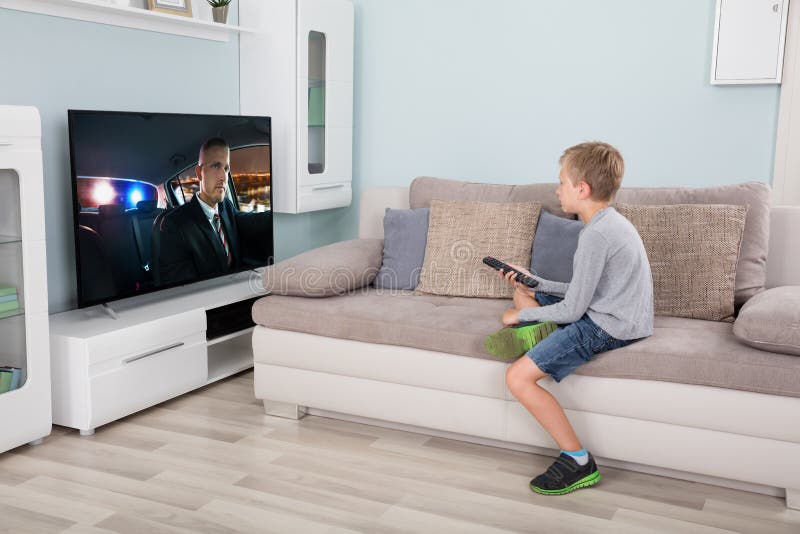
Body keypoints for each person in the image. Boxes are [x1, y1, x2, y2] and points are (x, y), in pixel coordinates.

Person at [484, 141, 653, 495]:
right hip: (618, 312)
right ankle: (541, 326)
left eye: (562, 182)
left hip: (608, 325)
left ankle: (578, 460)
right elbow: (583, 290)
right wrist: (535, 281)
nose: (557, 190)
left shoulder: (596, 235)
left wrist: (518, 316)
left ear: (582, 189)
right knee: (527, 291)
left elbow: (576, 310)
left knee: (517, 377)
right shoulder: (610, 223)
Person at [156, 138, 243, 286]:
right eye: (216, 166)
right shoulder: (174, 225)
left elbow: (252, 221)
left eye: (226, 169)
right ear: (199, 173)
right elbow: (182, 289)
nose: (223, 177)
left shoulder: (226, 207)